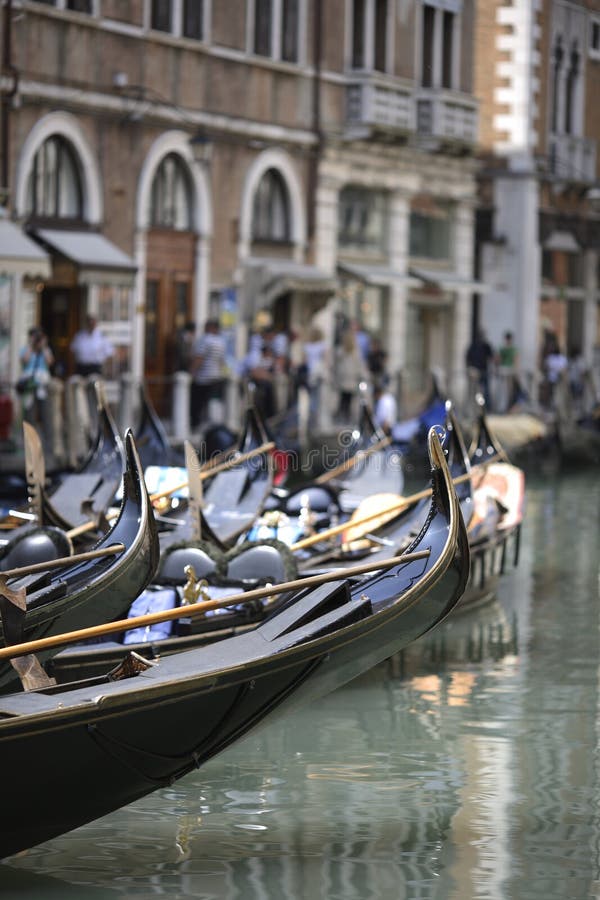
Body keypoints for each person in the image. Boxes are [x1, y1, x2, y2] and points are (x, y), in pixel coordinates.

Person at [18, 327, 54, 449]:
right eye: (34, 336)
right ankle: (29, 443)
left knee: (46, 415)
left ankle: (48, 445)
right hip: (29, 387)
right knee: (29, 416)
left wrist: (43, 347)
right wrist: (30, 345)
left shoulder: (45, 350)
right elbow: (25, 360)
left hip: (42, 387)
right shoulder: (26, 350)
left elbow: (49, 362)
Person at [190, 319, 226, 429]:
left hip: (203, 378)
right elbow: (221, 361)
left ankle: (196, 424)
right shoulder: (221, 342)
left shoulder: (204, 340)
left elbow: (199, 359)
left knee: (197, 403)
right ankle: (209, 424)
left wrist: (191, 372)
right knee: (210, 402)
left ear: (210, 327)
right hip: (216, 376)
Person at [334, 328, 368, 422]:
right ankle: (346, 417)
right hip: (351, 380)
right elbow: (360, 366)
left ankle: (343, 417)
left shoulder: (341, 352)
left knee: (343, 399)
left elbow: (336, 366)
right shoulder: (354, 353)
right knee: (348, 400)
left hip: (344, 379)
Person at [466, 328, 494, 408]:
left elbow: (491, 357)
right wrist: (469, 369)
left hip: (483, 371)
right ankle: (474, 407)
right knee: (474, 391)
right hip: (475, 371)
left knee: (485, 391)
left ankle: (486, 407)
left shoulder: (485, 345)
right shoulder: (473, 345)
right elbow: (468, 358)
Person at [496, 331, 519, 412]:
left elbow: (498, 359)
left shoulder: (503, 348)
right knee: (509, 391)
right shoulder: (512, 349)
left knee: (503, 390)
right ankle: (506, 407)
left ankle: (504, 407)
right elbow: (516, 360)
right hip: (509, 370)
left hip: (503, 370)